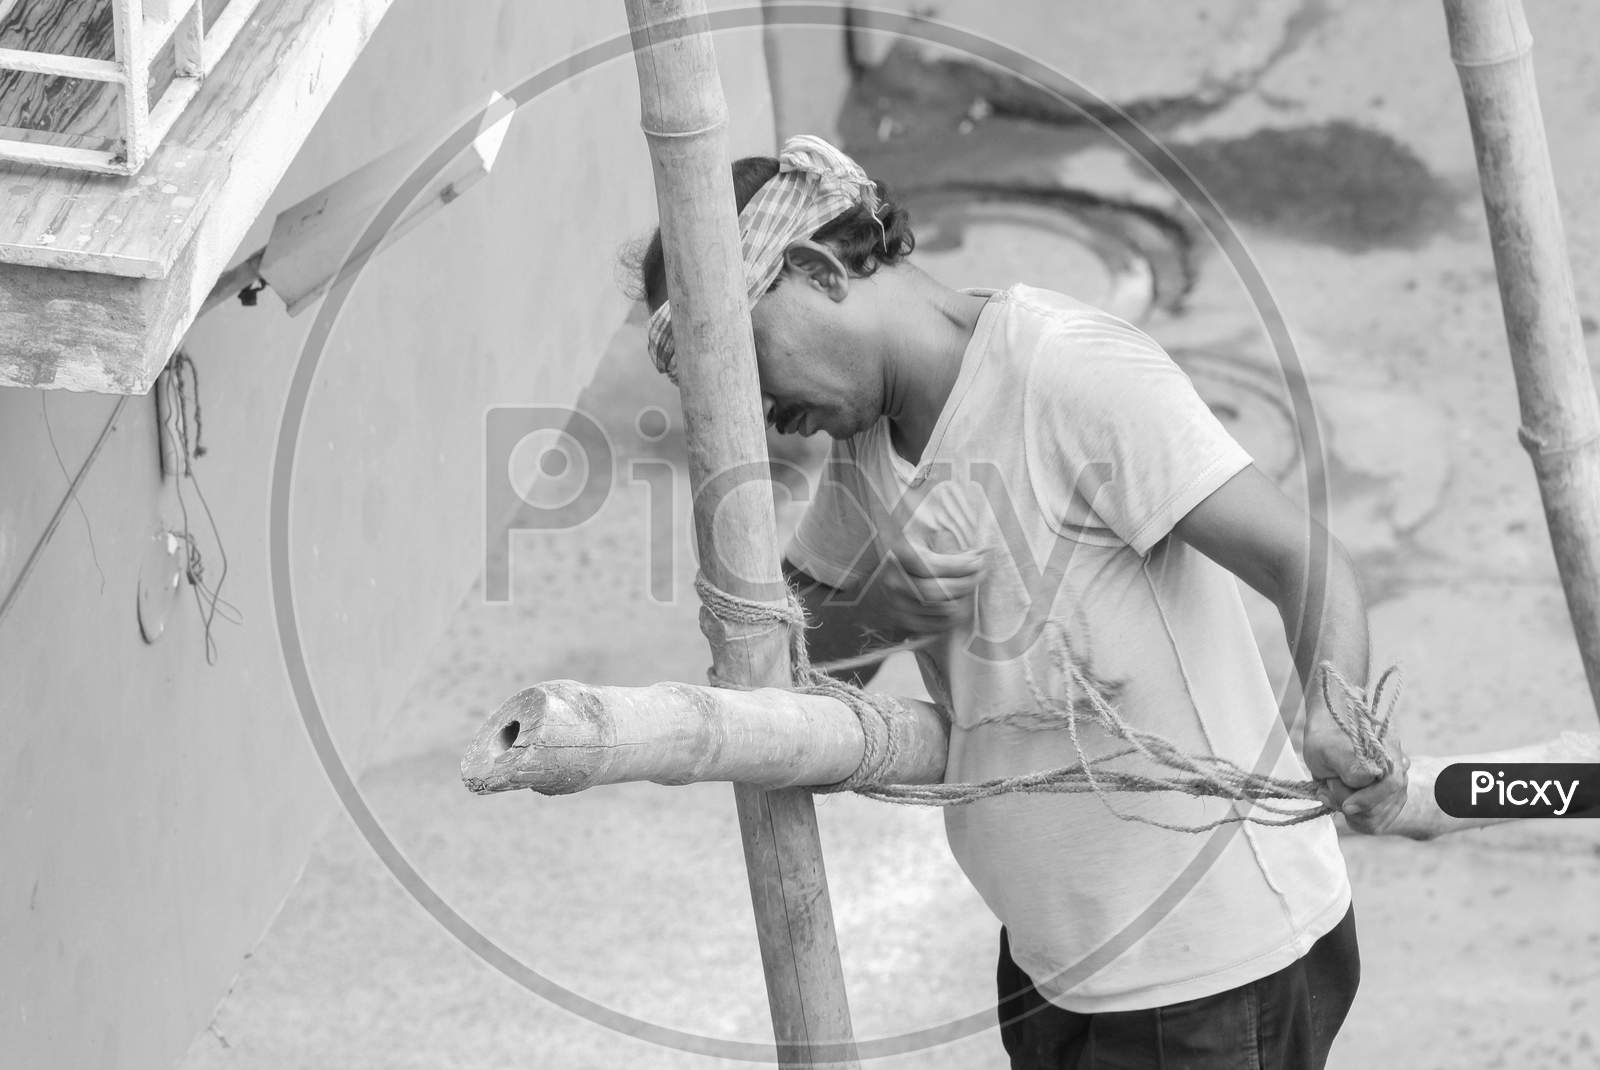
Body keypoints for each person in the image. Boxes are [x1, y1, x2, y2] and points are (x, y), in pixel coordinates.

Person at [636, 135, 1408, 1069]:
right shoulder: (868, 444)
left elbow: (1303, 559)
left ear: (815, 270)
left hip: (1207, 967)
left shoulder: (1068, 375)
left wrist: (1332, 708)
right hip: (1055, 962)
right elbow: (778, 665)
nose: (762, 414)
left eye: (749, 369)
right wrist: (881, 610)